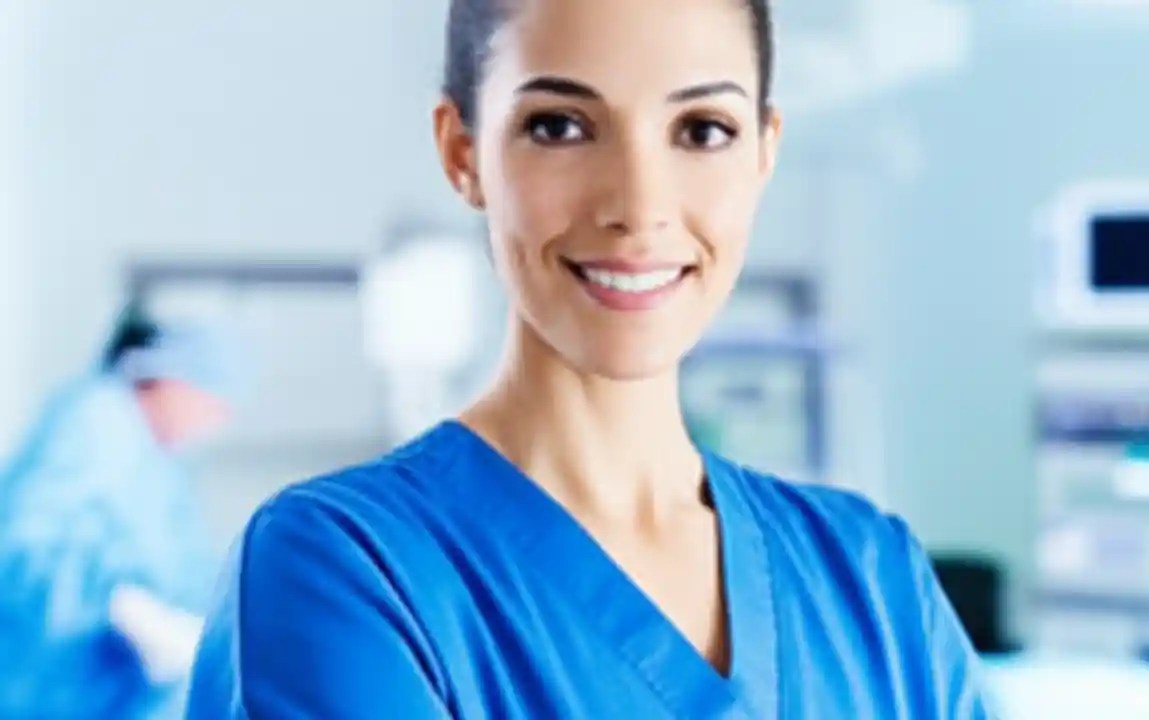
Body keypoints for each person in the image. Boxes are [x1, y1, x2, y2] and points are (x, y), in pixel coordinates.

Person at [187, 0, 993, 717]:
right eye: (560, 127)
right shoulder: (347, 572)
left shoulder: (875, 584)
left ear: (761, 154)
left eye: (702, 131)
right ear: (463, 152)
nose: (638, 207)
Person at [0, 308, 241, 719]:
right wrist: (121, 606)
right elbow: (23, 548)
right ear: (170, 380)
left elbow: (184, 566)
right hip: (52, 687)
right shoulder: (99, 420)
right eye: (209, 403)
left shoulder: (158, 460)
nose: (212, 421)